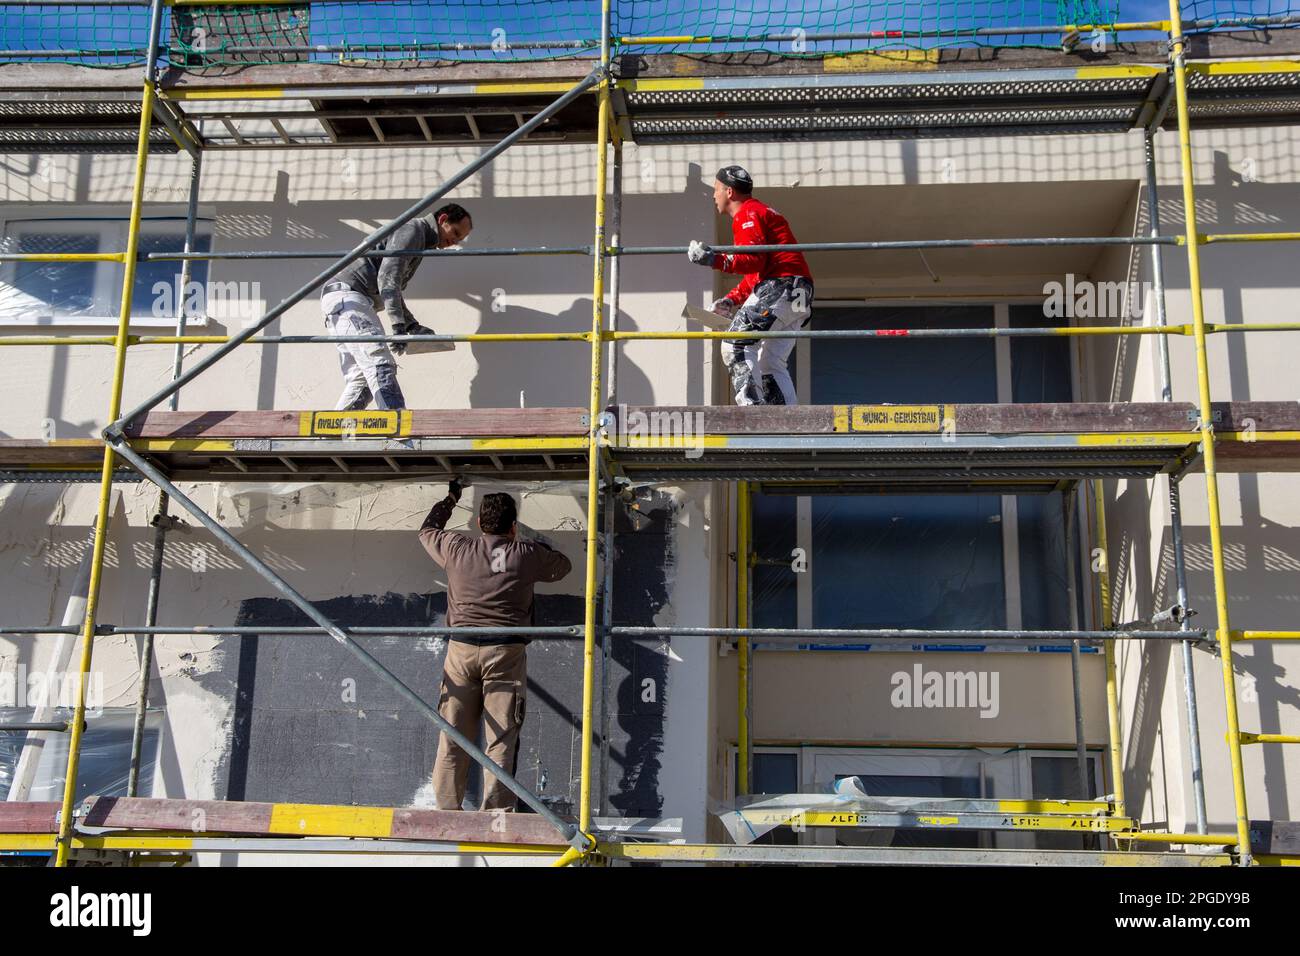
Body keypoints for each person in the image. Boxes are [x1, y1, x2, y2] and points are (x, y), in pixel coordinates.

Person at [418, 482, 572, 811]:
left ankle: (447, 812)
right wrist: (532, 544)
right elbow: (563, 566)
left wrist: (450, 498)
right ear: (513, 526)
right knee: (500, 739)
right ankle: (496, 816)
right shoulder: (526, 555)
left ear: (478, 523)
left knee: (453, 734)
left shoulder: (456, 547)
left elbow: (427, 530)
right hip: (505, 651)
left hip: (460, 650)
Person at [320, 203, 473, 411]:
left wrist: (410, 325)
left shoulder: (420, 241)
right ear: (442, 219)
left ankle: (332, 436)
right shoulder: (414, 230)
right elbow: (388, 278)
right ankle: (398, 431)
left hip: (345, 301)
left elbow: (393, 288)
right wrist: (398, 327)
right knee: (380, 364)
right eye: (455, 233)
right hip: (349, 298)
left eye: (460, 239)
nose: (454, 242)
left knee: (362, 380)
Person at [687, 166, 815, 406]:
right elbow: (757, 272)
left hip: (782, 286)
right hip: (798, 294)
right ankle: (787, 420)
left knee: (735, 342)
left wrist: (714, 258)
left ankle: (752, 412)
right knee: (771, 363)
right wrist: (731, 300)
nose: (714, 196)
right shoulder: (761, 211)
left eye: (716, 190)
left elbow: (753, 259)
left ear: (729, 191)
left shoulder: (747, 213)